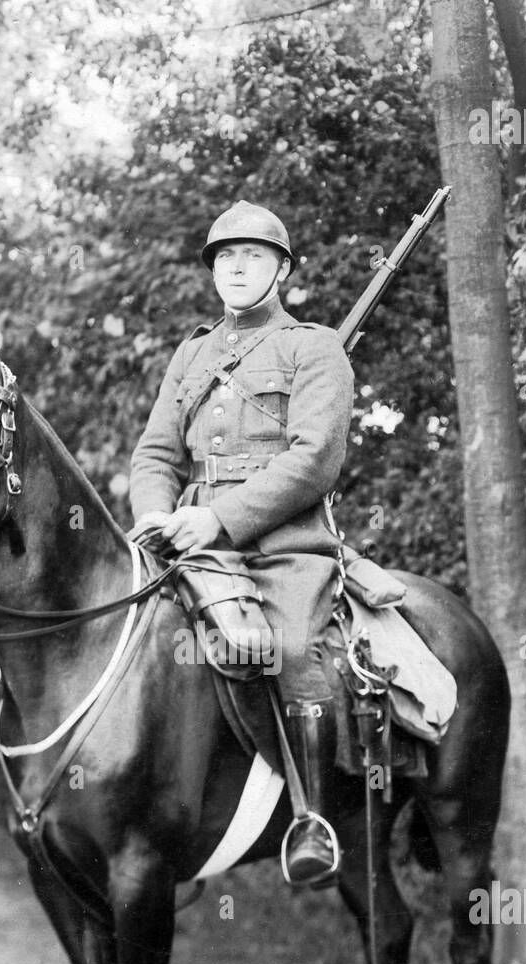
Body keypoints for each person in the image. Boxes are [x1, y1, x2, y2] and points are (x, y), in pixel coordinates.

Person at [129, 200, 355, 885]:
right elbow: (155, 456)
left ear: (281, 269)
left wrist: (219, 517)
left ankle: (312, 819)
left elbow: (314, 458)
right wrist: (155, 518)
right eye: (225, 256)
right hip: (194, 543)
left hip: (285, 544)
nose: (236, 266)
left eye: (252, 255)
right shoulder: (192, 353)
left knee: (286, 647)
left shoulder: (312, 347)